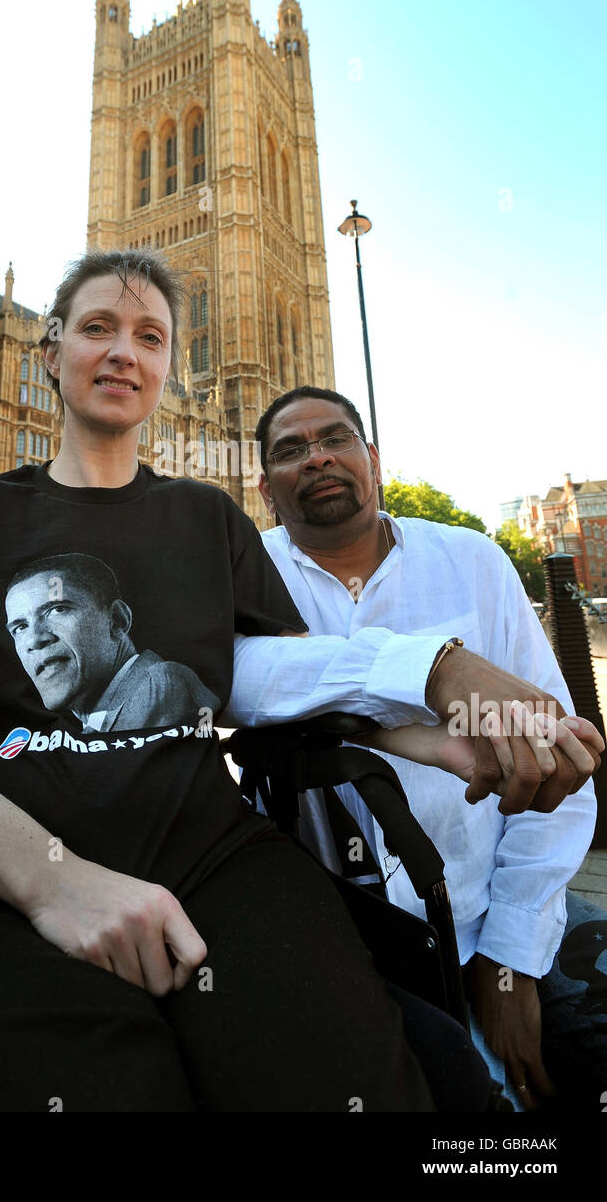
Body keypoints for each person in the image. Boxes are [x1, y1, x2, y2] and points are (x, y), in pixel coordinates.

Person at [0, 251, 594, 1114]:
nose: (122, 353)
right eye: (97, 327)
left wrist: (423, 727)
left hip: (209, 862)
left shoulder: (208, 520)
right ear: (48, 351)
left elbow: (279, 676)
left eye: (149, 336)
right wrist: (55, 879)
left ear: (171, 367)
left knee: (349, 1082)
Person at [239, 382, 605, 1111]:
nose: (317, 458)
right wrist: (437, 666)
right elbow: (241, 678)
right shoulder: (245, 571)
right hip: (336, 936)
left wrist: (510, 959)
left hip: (488, 907)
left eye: (335, 439)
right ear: (264, 487)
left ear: (374, 459)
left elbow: (558, 781)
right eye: (290, 450)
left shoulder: (472, 560)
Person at [5, 552, 217, 732]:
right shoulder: (101, 718)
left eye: (58, 609)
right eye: (20, 627)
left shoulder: (160, 684)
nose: (34, 639)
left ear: (117, 620)